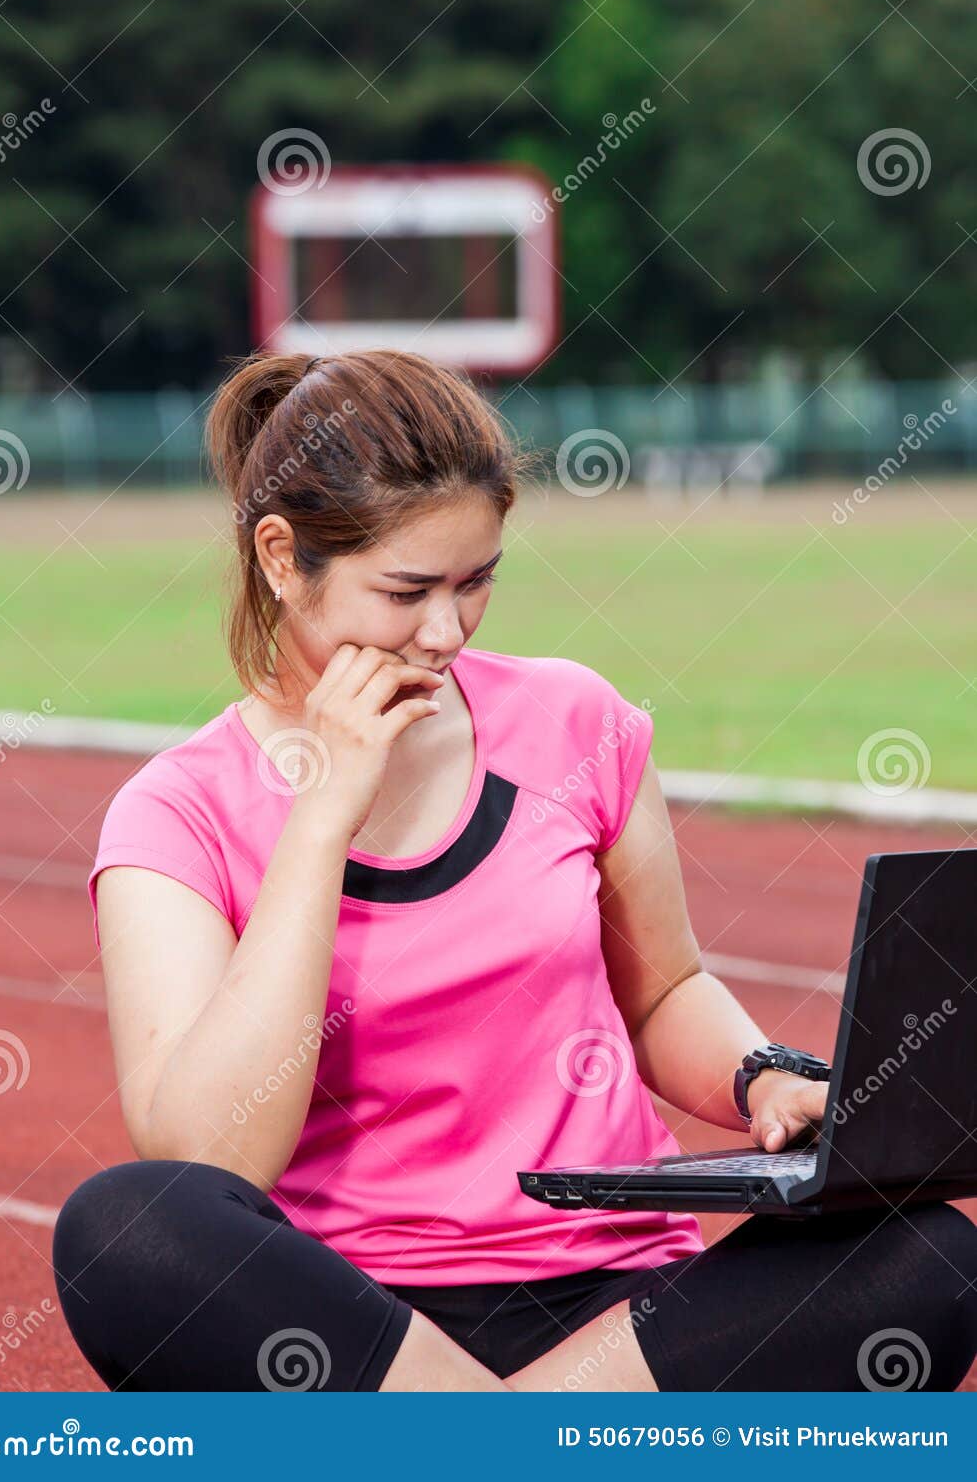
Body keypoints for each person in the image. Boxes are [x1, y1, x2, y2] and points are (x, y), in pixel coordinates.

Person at [52, 349, 977, 1393]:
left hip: (620, 1318)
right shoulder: (179, 809)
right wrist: (321, 820)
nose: (444, 632)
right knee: (124, 1226)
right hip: (354, 1330)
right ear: (279, 556)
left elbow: (664, 991)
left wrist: (766, 1074)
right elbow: (210, 1157)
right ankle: (540, 1446)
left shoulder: (574, 721)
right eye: (404, 591)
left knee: (926, 1256)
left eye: (476, 581)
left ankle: (469, 1449)